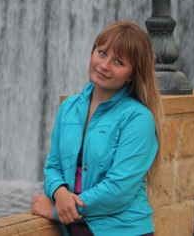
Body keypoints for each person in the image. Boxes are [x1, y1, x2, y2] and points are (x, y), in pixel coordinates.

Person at [31, 21, 162, 236]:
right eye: (102, 53)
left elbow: (118, 190)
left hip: (122, 230)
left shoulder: (138, 118)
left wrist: (57, 211)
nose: (104, 65)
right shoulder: (68, 108)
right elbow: (53, 166)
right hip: (74, 228)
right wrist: (59, 192)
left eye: (118, 62)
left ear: (132, 74)